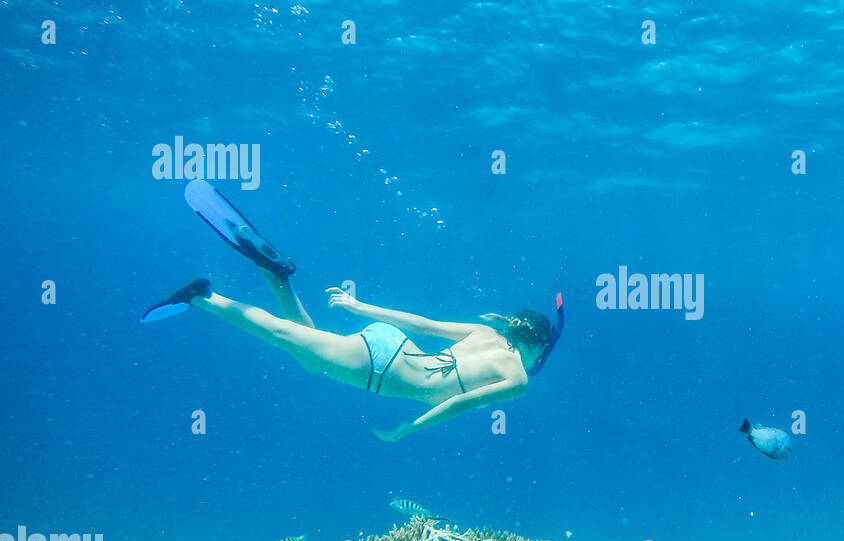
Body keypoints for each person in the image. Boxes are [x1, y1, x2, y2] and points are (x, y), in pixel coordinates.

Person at [141, 181, 561, 441]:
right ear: (535, 346)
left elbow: (422, 323)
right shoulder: (517, 377)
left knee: (308, 355)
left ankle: (277, 277)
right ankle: (202, 297)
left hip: (389, 347)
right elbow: (459, 405)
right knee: (284, 337)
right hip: (382, 370)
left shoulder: (482, 332)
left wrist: (361, 305)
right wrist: (408, 431)